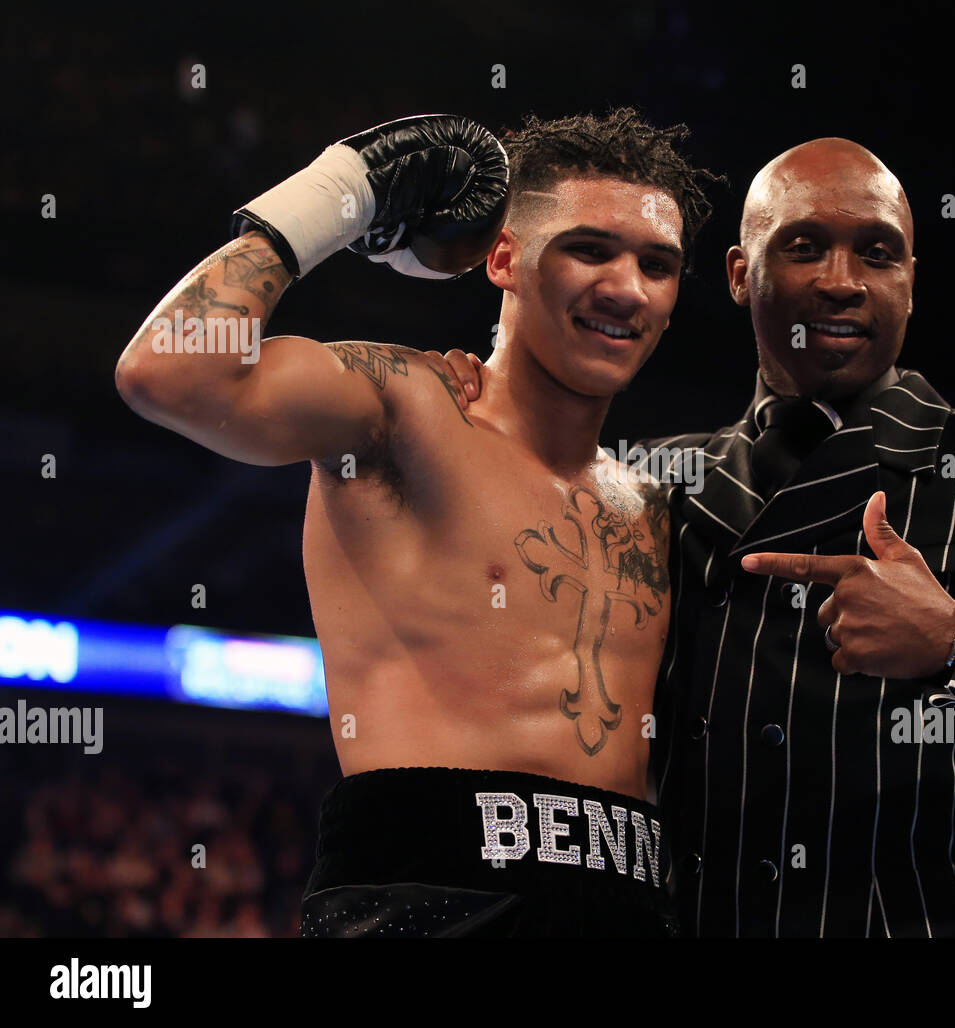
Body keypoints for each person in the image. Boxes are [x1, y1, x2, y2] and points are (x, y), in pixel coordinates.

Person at [443, 136, 955, 937]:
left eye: (877, 254)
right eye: (803, 247)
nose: (841, 282)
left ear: (910, 283)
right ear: (737, 274)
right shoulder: (647, 485)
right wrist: (481, 398)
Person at [115, 108, 720, 937]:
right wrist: (340, 192)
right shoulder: (404, 410)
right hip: (428, 900)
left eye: (658, 264)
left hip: (633, 902)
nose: (626, 287)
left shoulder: (656, 510)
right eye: (589, 248)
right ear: (503, 257)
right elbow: (170, 375)